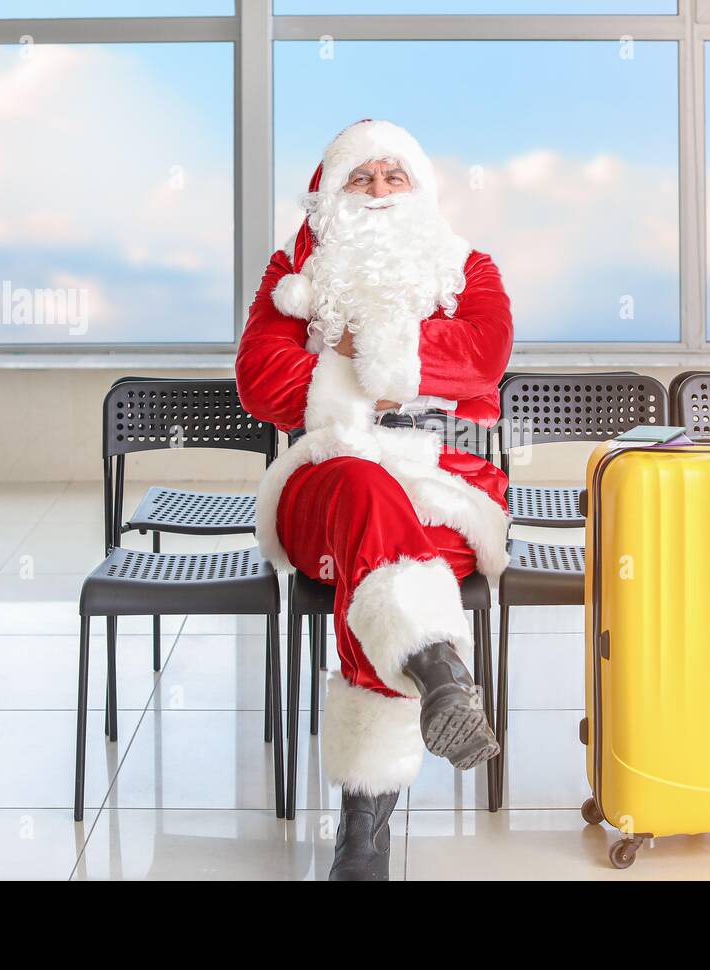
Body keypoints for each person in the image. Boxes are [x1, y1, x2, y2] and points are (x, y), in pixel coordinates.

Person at [235, 119, 513, 880]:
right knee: (365, 493)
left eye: (395, 178)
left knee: (379, 547)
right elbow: (260, 380)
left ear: (420, 190)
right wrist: (367, 374)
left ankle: (362, 839)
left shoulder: (468, 269)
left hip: (440, 490)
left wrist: (376, 345)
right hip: (328, 476)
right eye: (362, 179)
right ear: (331, 193)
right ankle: (438, 675)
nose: (380, 192)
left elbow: (486, 355)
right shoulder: (290, 273)